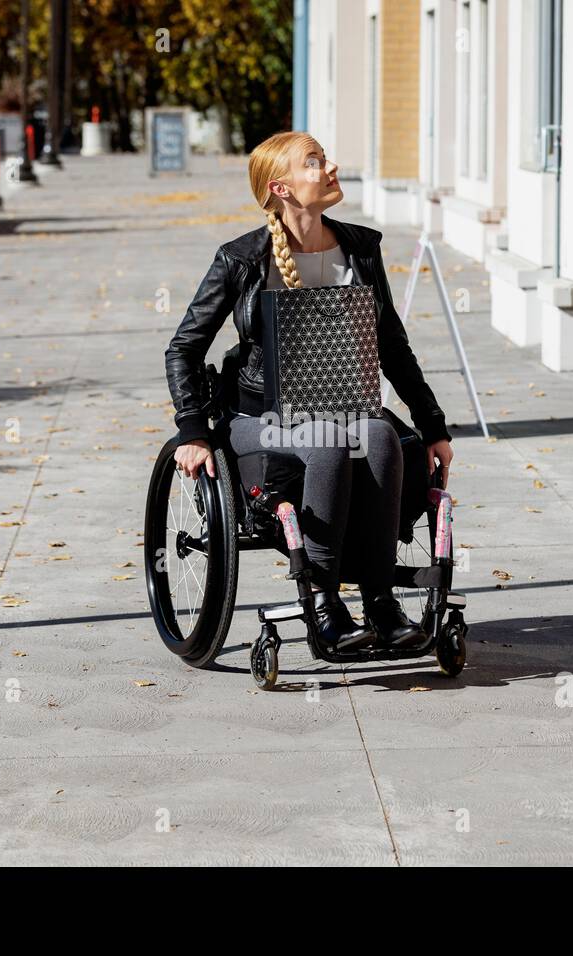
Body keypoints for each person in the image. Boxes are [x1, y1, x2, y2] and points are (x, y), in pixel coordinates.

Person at [164, 131, 454, 652]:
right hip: (259, 417)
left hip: (347, 404)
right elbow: (183, 348)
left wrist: (432, 425)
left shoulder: (360, 250)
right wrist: (192, 429)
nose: (331, 167)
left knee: (382, 436)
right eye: (314, 162)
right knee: (323, 438)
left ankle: (380, 602)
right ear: (282, 188)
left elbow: (392, 343)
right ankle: (322, 602)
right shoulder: (241, 260)